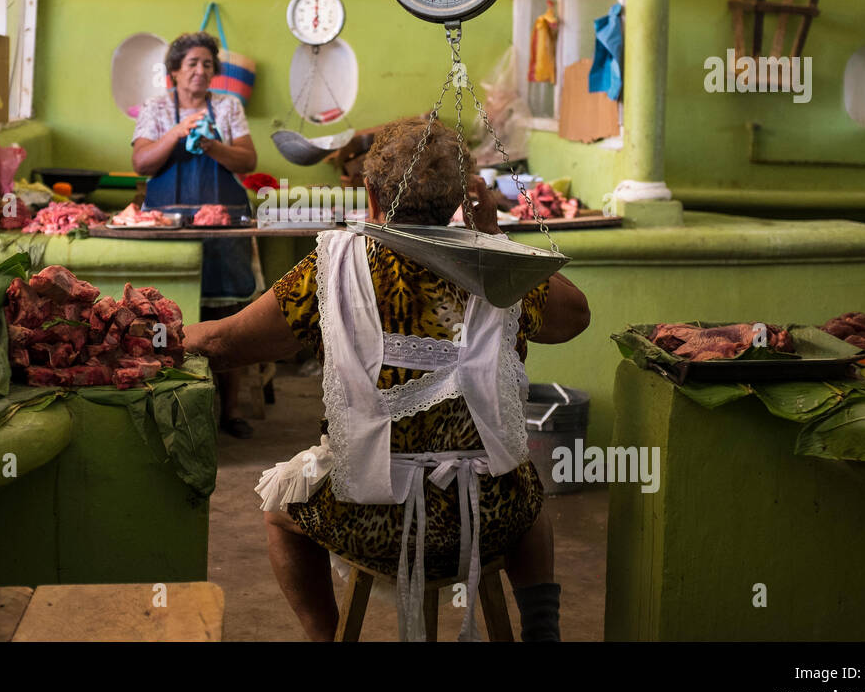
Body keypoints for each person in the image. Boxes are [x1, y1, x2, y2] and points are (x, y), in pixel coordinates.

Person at [184, 117, 590, 640]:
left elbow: (222, 343)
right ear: (461, 200)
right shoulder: (502, 271)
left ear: (372, 196)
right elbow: (576, 316)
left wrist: (157, 336)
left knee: (279, 506)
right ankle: (541, 626)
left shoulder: (332, 268)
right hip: (489, 522)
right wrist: (494, 238)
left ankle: (325, 636)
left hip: (373, 522)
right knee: (520, 479)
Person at [132, 32, 260, 438]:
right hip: (168, 228)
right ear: (174, 71)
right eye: (192, 64)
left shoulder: (227, 107)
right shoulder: (155, 109)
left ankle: (231, 412)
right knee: (166, 315)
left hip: (221, 225)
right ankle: (163, 400)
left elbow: (247, 159)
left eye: (208, 64)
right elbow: (141, 163)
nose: (201, 71)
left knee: (229, 317)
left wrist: (209, 143)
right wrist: (177, 132)